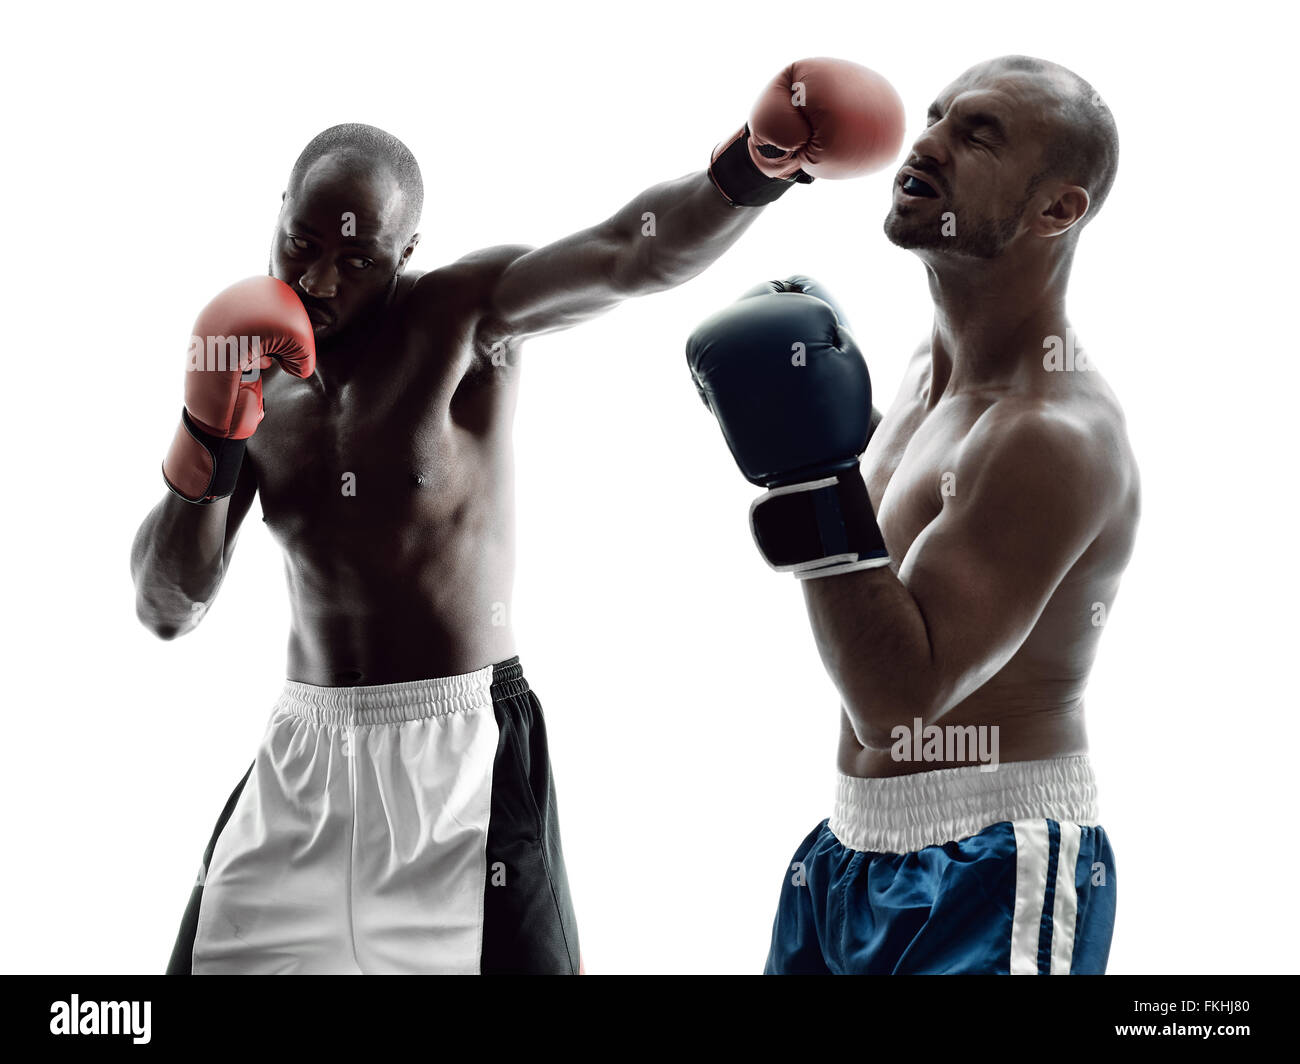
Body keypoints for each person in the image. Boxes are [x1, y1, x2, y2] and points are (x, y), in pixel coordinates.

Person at [131, 59, 906, 974]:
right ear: (280, 210)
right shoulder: (251, 369)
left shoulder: (463, 316)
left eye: (358, 257)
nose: (322, 279)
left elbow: (630, 253)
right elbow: (168, 608)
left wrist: (753, 167)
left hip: (461, 755)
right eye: (302, 242)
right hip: (303, 760)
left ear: (408, 252)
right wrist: (207, 437)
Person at [686, 55, 1135, 974]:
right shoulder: (920, 380)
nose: (925, 143)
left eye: (978, 136)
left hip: (997, 863)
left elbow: (899, 707)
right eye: (935, 117)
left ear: (1059, 209)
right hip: (850, 849)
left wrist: (809, 476)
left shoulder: (1050, 431)